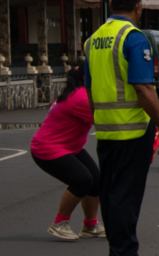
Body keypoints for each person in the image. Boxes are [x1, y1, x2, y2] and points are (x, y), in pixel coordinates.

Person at [84, 0, 159, 256]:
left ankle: (121, 255)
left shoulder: (94, 38)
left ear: (112, 5)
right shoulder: (133, 38)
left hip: (106, 132)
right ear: (138, 6)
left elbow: (89, 89)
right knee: (126, 197)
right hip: (132, 131)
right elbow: (144, 88)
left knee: (111, 196)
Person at [31, 65, 104, 240]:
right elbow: (105, 123)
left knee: (95, 181)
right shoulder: (81, 98)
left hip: (70, 147)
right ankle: (59, 223)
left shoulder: (76, 92)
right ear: (87, 79)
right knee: (82, 180)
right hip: (48, 148)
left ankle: (90, 226)